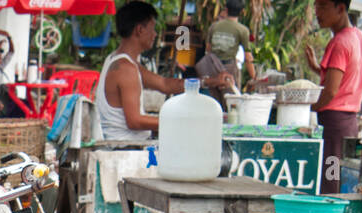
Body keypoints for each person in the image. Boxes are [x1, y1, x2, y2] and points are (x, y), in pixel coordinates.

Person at [96, 0, 233, 140]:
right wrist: (183, 122)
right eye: (153, 28)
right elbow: (134, 121)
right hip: (125, 149)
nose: (155, 34)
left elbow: (165, 84)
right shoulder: (125, 69)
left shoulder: (121, 61)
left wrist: (210, 81)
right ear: (140, 30)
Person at [305, 0, 362, 193]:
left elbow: (331, 91)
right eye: (316, 6)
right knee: (337, 172)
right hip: (349, 121)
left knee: (330, 175)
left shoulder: (339, 42)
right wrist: (318, 69)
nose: (317, 12)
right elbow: (346, 77)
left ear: (341, 8)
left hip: (334, 123)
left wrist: (311, 109)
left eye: (323, 6)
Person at [206, 0, 257, 87]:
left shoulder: (213, 27)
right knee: (232, 98)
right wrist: (254, 77)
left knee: (212, 99)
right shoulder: (243, 30)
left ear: (226, 10)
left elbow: (208, 49)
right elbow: (248, 57)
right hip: (230, 69)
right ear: (242, 12)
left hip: (213, 68)